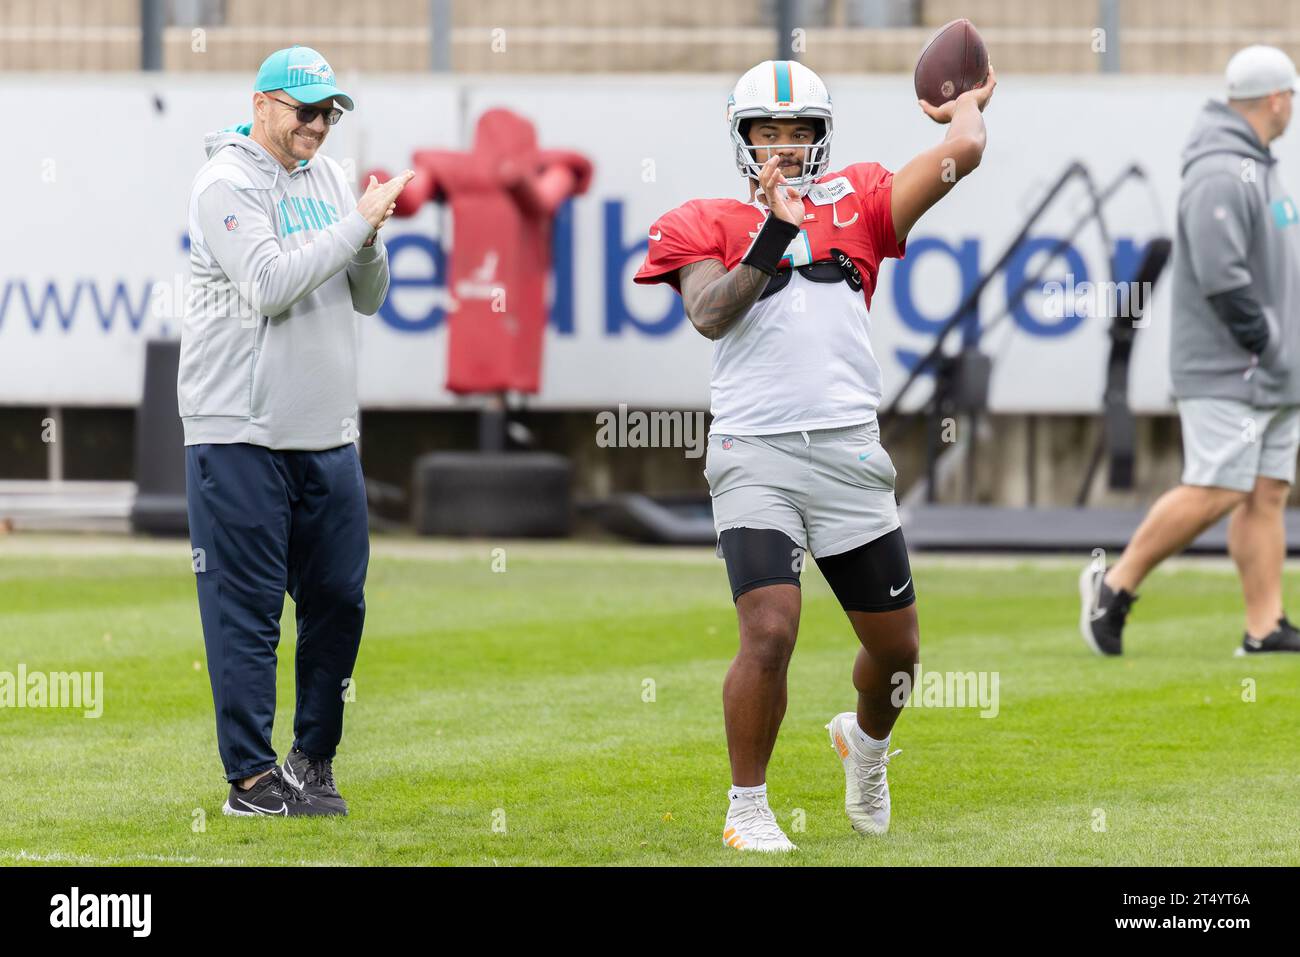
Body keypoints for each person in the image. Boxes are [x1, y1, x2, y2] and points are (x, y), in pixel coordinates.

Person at [634, 59, 994, 851]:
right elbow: (708, 314)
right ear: (743, 139)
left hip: (847, 452)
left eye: (800, 134)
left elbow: (961, 156)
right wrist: (775, 231)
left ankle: (864, 748)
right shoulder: (705, 218)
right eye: (770, 132)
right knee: (770, 628)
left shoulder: (861, 198)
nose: (786, 148)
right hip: (752, 450)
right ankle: (748, 806)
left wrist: (964, 107)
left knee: (898, 655)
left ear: (821, 140)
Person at [178, 45, 414, 816]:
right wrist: (356, 225)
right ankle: (249, 779)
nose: (319, 125)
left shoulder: (335, 180)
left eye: (330, 112)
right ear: (262, 104)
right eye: (306, 110)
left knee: (340, 601)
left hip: (327, 433)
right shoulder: (225, 181)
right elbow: (270, 284)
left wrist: (370, 236)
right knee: (247, 615)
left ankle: (312, 760)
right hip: (239, 431)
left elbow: (370, 296)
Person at [1080, 45, 1300, 658]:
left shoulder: (1257, 163)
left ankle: (1264, 626)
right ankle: (1114, 587)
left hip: (1273, 372)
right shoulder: (1220, 168)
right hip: (1231, 368)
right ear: (1277, 99)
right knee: (1220, 487)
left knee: (1266, 491)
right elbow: (1221, 275)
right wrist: (1266, 342)